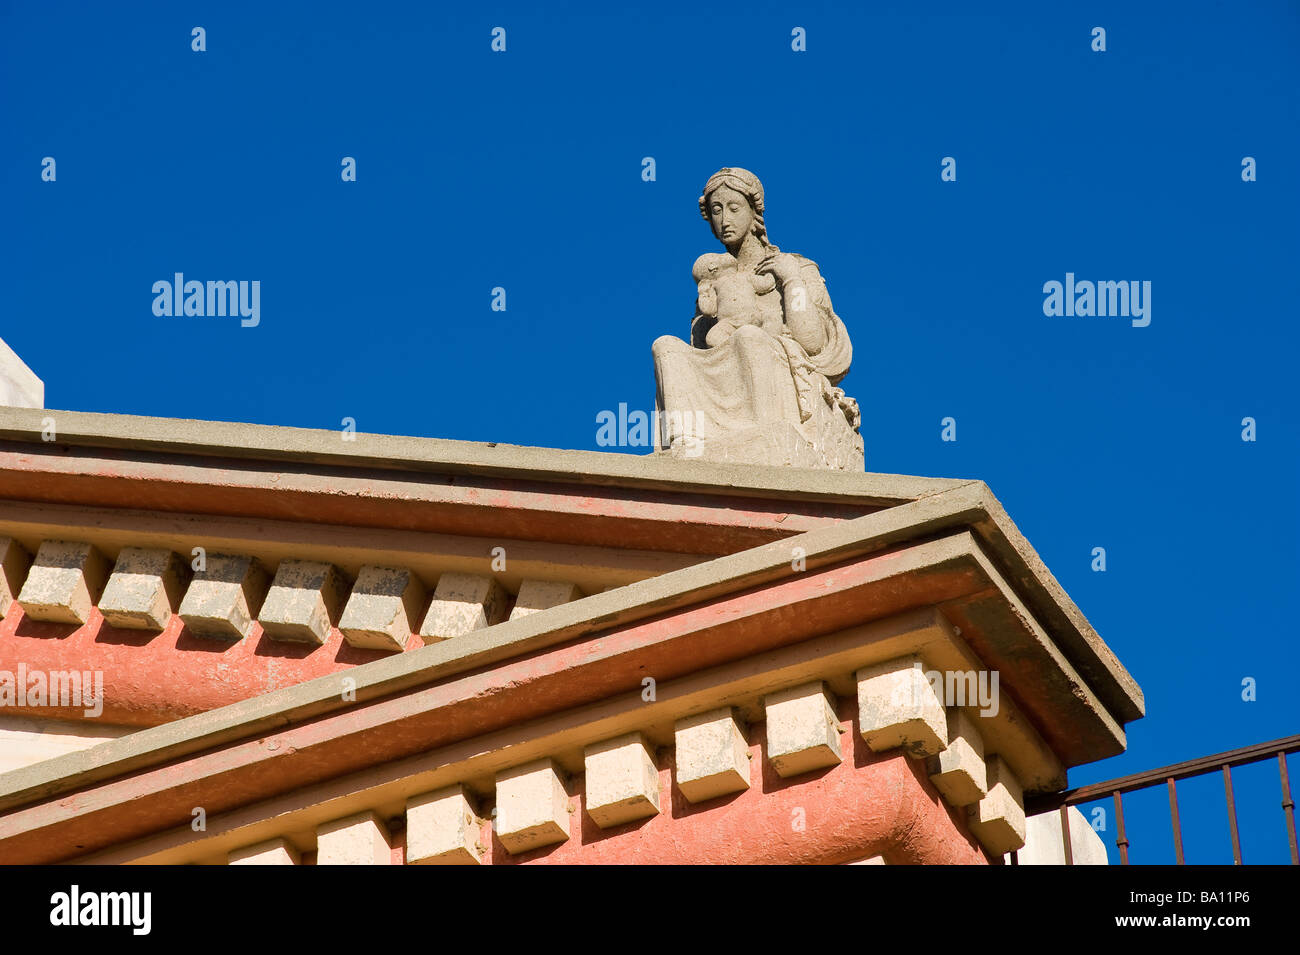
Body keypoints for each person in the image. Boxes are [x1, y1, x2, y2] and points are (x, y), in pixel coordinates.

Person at [652, 167, 861, 468]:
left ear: (754, 212)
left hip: (775, 363)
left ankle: (764, 433)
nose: (724, 220)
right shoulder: (713, 277)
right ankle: (684, 441)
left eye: (734, 208)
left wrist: (790, 280)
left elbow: (813, 344)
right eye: (716, 211)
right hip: (727, 364)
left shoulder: (797, 267)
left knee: (747, 336)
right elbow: (703, 350)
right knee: (665, 347)